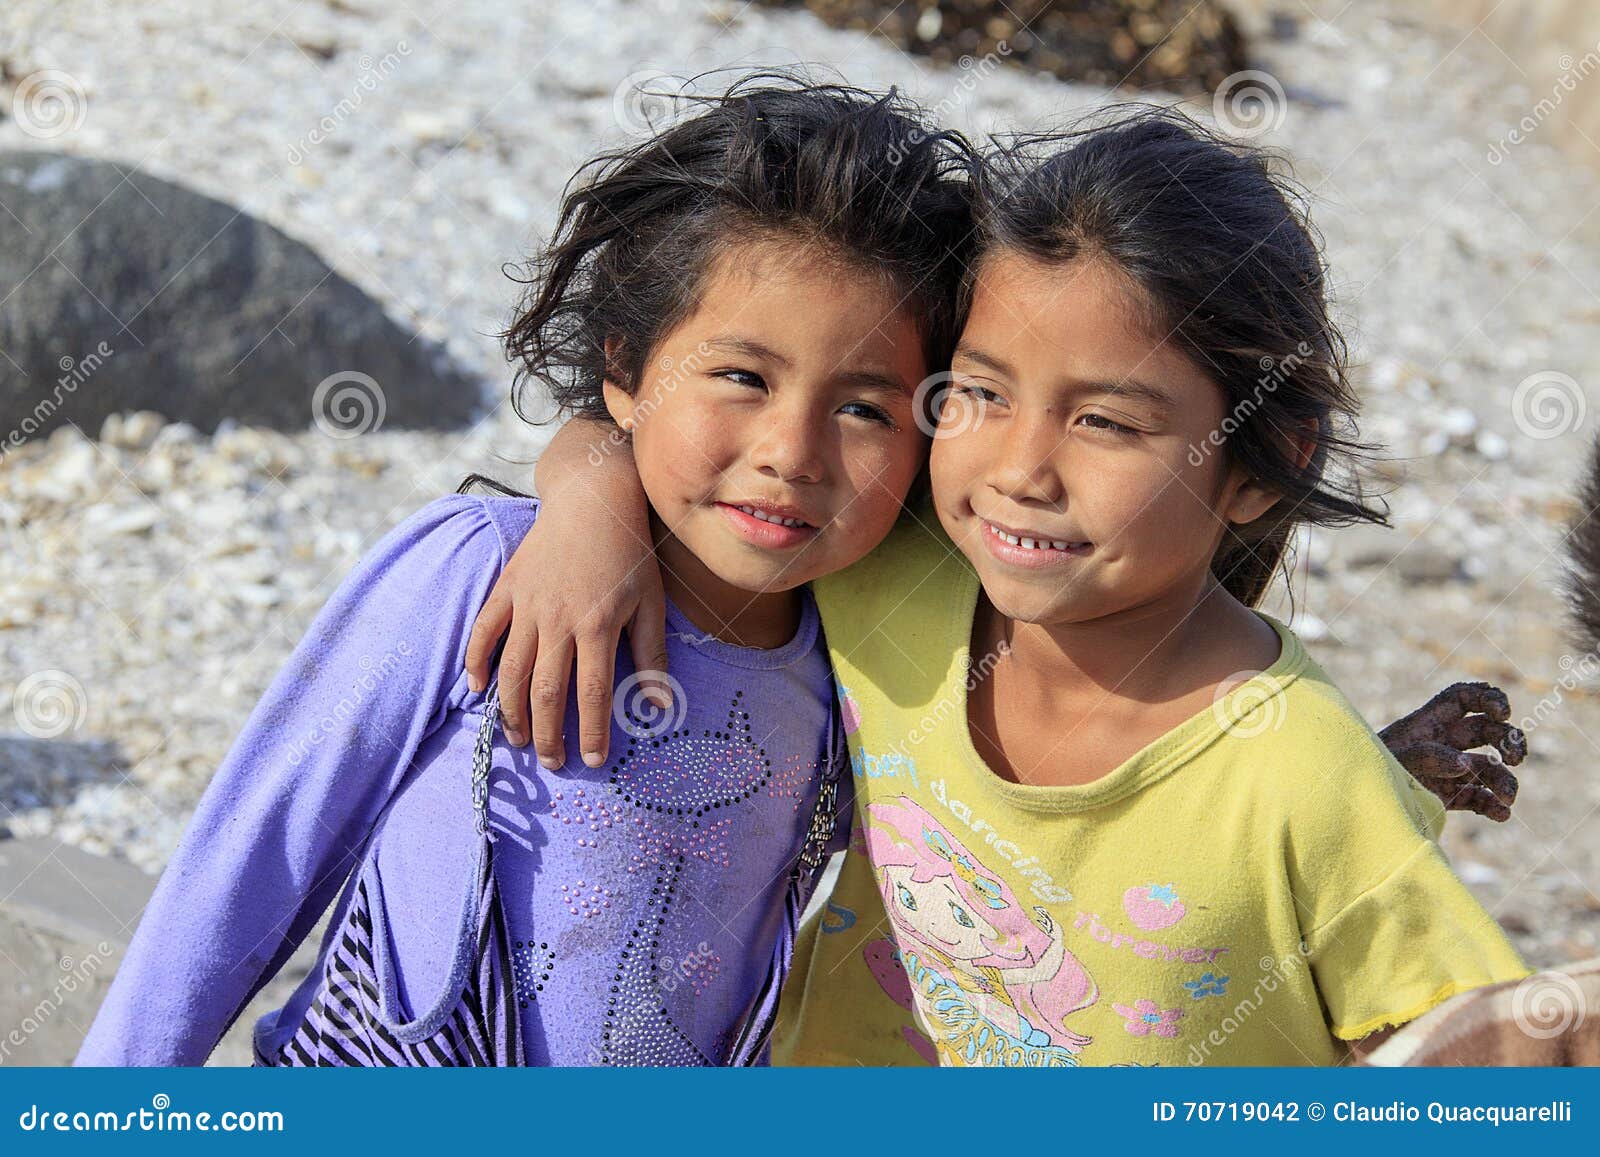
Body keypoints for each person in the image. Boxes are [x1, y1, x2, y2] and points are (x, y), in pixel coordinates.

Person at [467, 108, 1530, 1067]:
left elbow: (1500, 1081)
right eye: (976, 392)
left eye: (1106, 421)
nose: (1021, 471)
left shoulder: (1305, 778)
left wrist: (1341, 810)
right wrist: (587, 505)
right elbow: (669, 440)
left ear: (1259, 460)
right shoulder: (905, 573)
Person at [74, 77, 969, 1066]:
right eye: (742, 377)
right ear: (624, 372)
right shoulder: (482, 572)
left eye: (864, 408)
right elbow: (258, 846)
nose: (793, 451)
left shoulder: (861, 661)